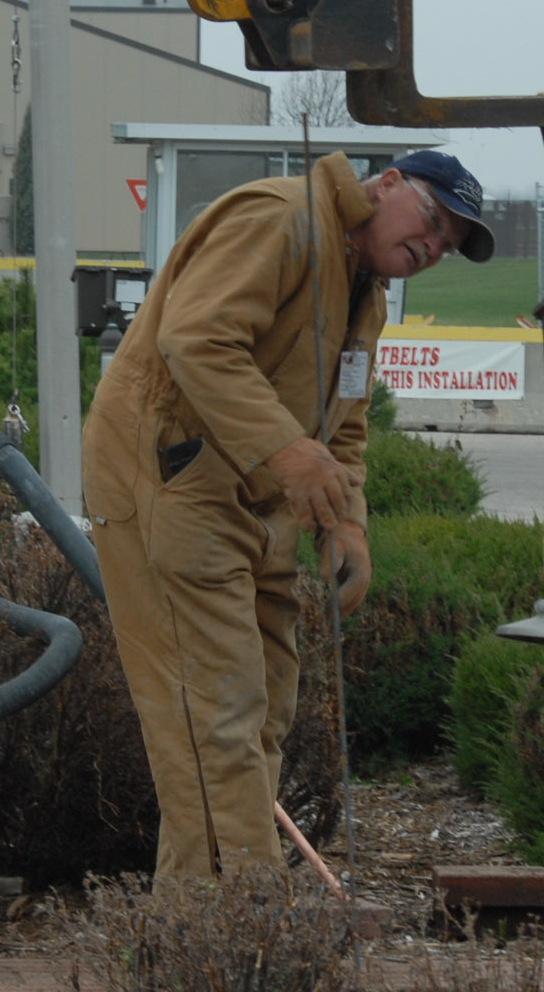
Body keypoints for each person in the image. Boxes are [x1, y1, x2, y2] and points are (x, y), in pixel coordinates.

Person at [82, 148, 494, 882]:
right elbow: (197, 340)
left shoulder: (366, 293)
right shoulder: (283, 219)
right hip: (169, 477)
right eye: (432, 220)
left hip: (254, 500)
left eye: (449, 245)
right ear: (387, 183)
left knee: (264, 703)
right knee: (216, 712)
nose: (433, 247)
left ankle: (197, 931)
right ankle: (244, 920)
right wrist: (288, 451)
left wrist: (348, 522)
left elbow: (346, 425)